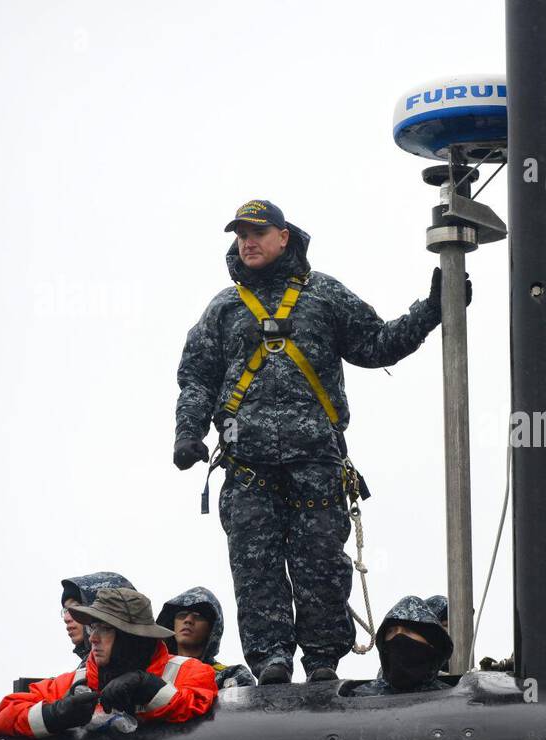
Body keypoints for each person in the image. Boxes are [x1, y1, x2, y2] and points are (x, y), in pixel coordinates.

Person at [173, 199, 470, 686]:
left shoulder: (323, 296)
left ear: (283, 236)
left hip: (316, 461)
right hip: (248, 465)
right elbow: (197, 379)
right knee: (256, 569)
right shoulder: (225, 308)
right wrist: (188, 432)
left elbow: (377, 344)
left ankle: (322, 662)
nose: (247, 242)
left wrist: (432, 310)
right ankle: (270, 659)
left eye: (258, 232)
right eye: (241, 234)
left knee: (321, 565)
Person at [0, 588, 218, 738]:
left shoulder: (187, 671)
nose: (92, 638)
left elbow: (201, 703)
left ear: (133, 638)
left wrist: (148, 687)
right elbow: (2, 716)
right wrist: (54, 714)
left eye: (105, 628)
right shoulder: (75, 681)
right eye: (93, 627)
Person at [352, 596, 453, 697]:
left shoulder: (456, 699)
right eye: (391, 631)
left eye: (409, 631)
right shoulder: (358, 698)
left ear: (431, 642)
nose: (399, 636)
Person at [156, 586, 255, 689]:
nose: (188, 620)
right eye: (182, 615)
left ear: (212, 628)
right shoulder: (152, 671)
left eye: (198, 616)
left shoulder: (231, 676)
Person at [61, 572, 134, 662]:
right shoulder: (88, 672)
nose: (66, 618)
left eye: (75, 606)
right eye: (65, 610)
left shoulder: (147, 670)